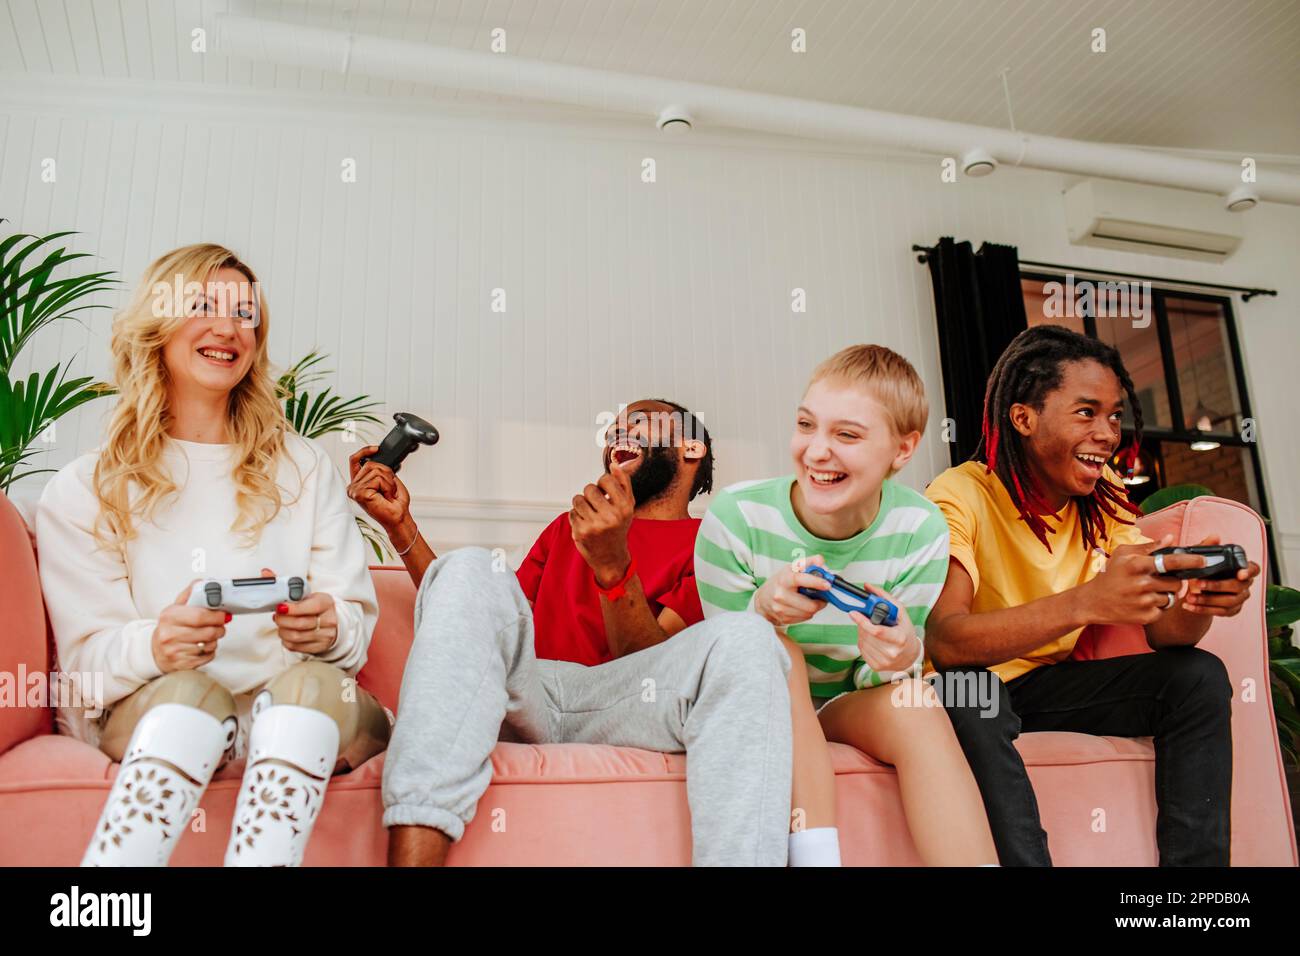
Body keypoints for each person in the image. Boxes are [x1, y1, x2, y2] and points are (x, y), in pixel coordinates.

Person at [36, 243, 389, 867]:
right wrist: (156, 646)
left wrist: (328, 628)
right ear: (159, 323)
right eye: (203, 306)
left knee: (310, 687)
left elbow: (354, 633)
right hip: (156, 709)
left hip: (296, 713)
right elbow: (85, 665)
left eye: (245, 313)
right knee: (189, 696)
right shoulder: (86, 487)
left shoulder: (303, 468)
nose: (228, 327)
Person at [348, 399, 792, 866]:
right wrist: (400, 525)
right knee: (469, 566)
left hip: (626, 704)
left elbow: (647, 667)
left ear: (691, 447)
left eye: (639, 422)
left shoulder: (711, 544)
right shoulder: (565, 529)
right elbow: (484, 618)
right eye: (614, 428)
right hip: (531, 693)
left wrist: (612, 565)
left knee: (749, 637)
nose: (618, 432)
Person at [924, 324, 1260, 866]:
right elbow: (946, 642)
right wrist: (1086, 602)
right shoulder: (961, 492)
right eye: (1086, 412)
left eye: (1113, 415)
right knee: (973, 695)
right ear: (1024, 418)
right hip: (966, 688)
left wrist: (1197, 601)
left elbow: (1166, 631)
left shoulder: (1104, 503)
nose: (1107, 433)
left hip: (1045, 688)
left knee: (1196, 676)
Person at [695, 345, 998, 866]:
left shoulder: (920, 530)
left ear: (903, 450)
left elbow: (878, 679)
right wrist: (762, 615)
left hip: (840, 708)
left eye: (847, 435)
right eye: (806, 425)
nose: (815, 452)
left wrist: (898, 658)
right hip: (752, 707)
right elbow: (726, 668)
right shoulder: (735, 518)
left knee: (918, 706)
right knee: (774, 650)